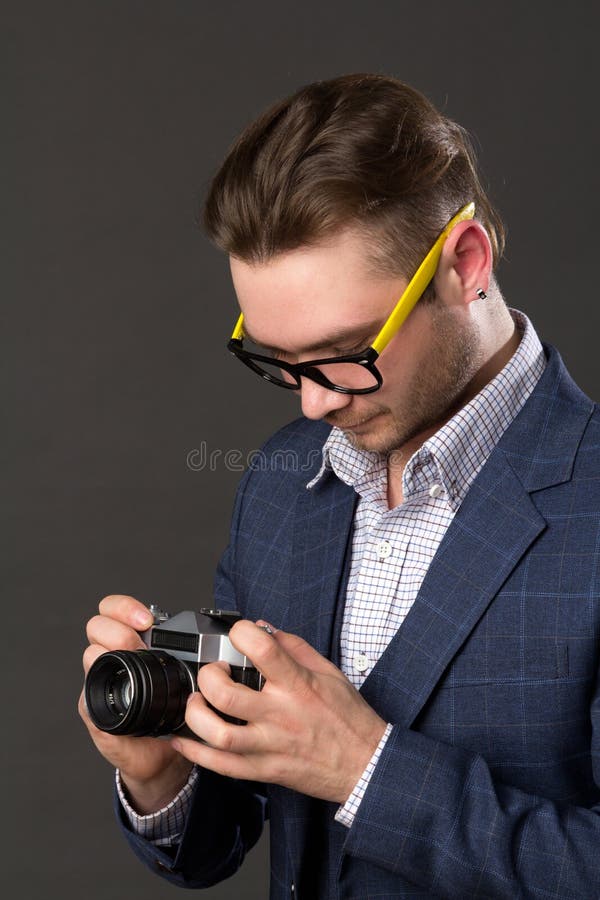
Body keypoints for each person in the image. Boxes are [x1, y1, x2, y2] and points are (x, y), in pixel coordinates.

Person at [79, 73, 600, 898]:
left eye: (344, 352)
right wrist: (161, 776)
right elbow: (222, 839)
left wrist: (366, 769)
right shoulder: (283, 486)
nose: (316, 401)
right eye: (278, 362)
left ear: (464, 265)